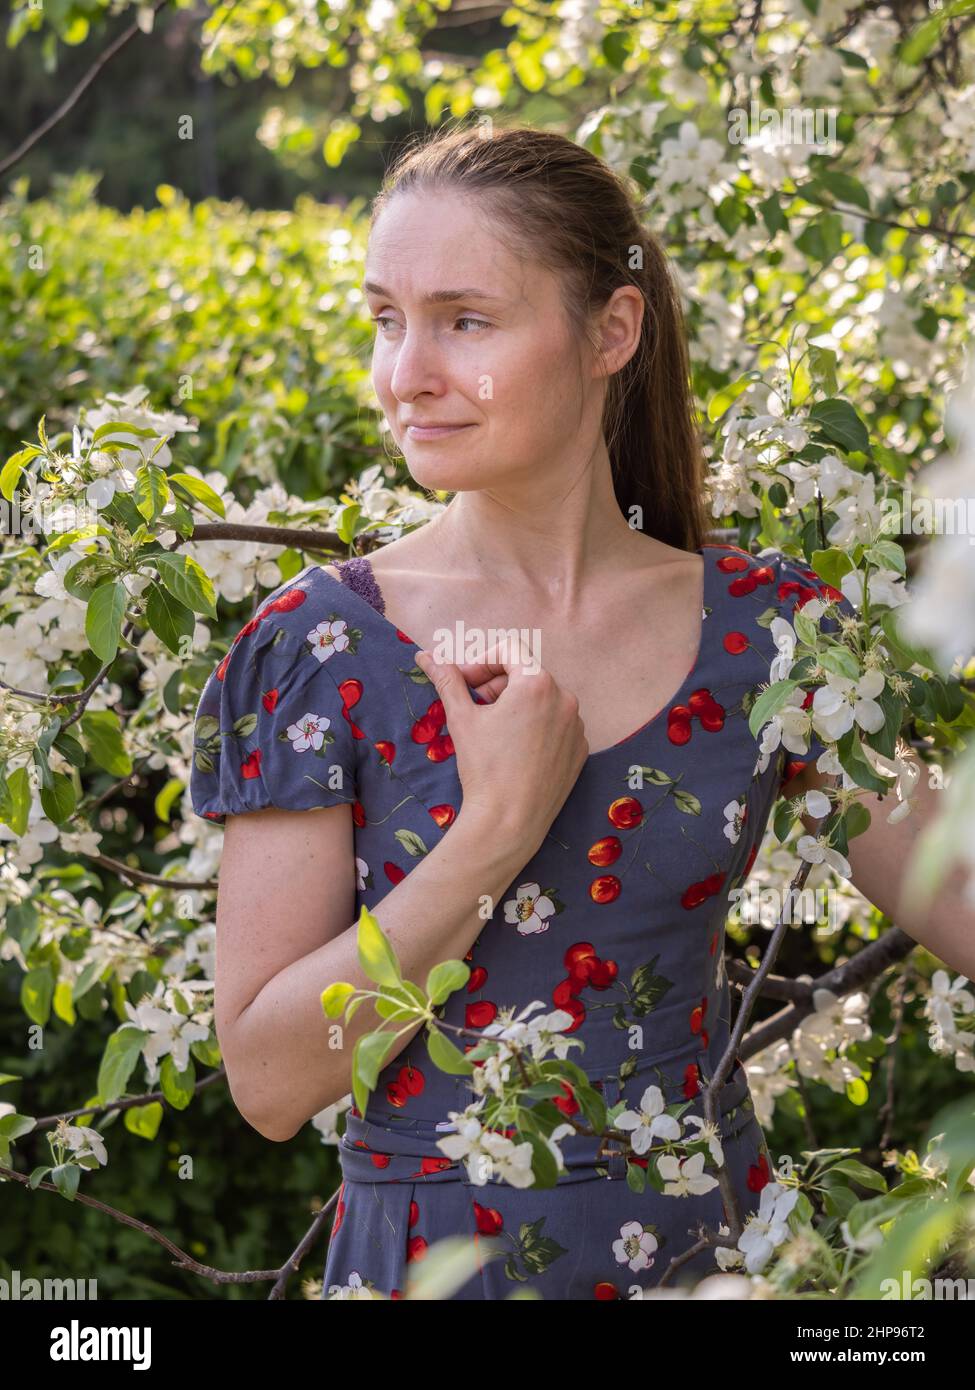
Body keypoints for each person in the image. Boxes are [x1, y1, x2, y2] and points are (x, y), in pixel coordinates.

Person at [189, 123, 855, 1299]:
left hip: (717, 1259)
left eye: (466, 320)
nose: (407, 374)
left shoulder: (775, 632)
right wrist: (494, 831)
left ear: (612, 331)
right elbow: (270, 1078)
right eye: (387, 320)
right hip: (436, 1273)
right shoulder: (321, 646)